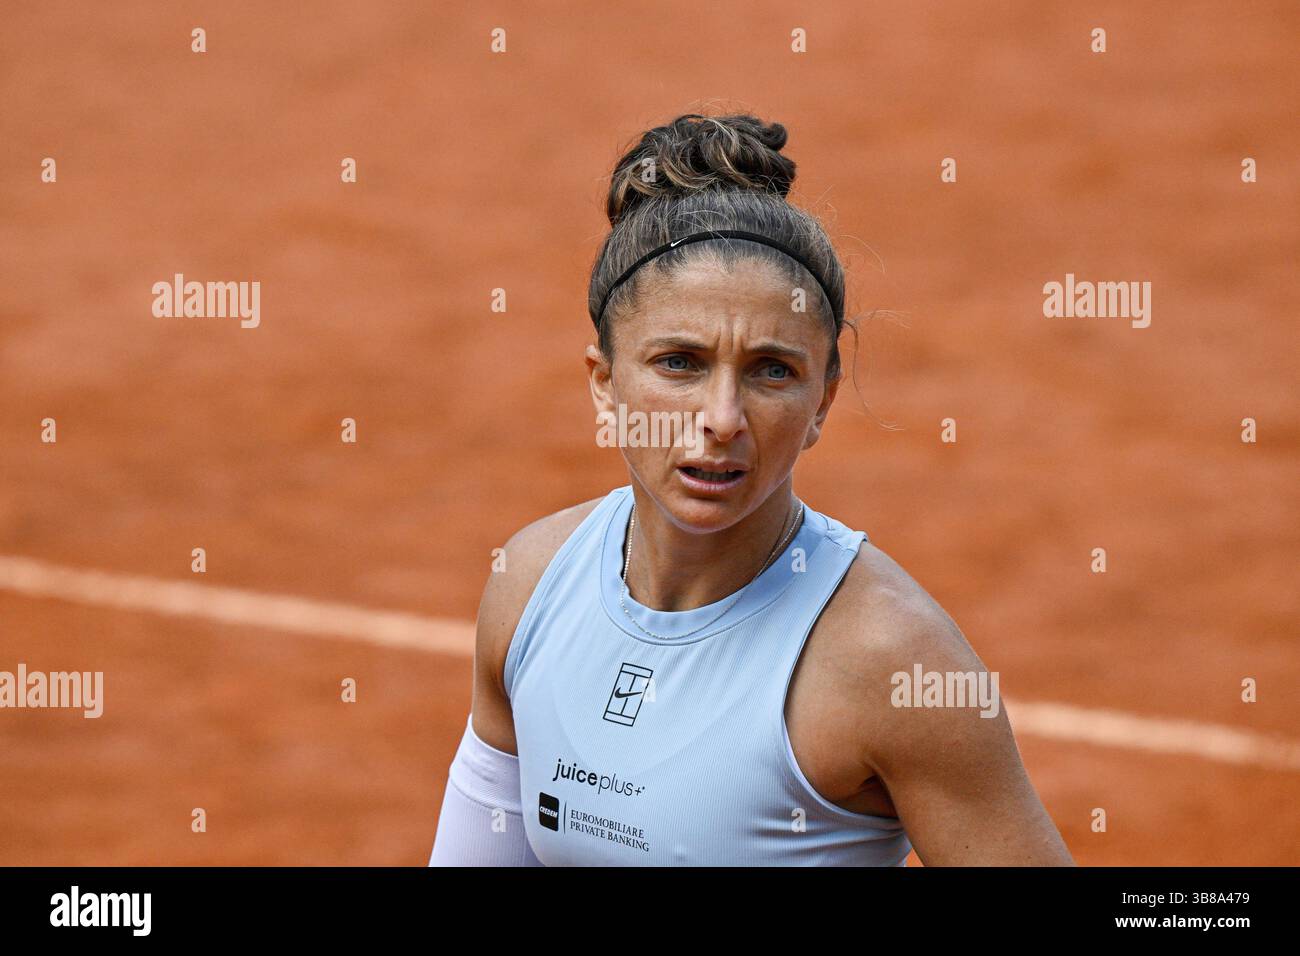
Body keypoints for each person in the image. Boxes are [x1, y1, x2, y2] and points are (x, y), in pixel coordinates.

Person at [429, 112, 1074, 866]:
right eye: (680, 362)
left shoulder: (891, 662)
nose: (723, 420)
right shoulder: (531, 586)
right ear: (605, 387)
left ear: (822, 404)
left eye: (773, 371)